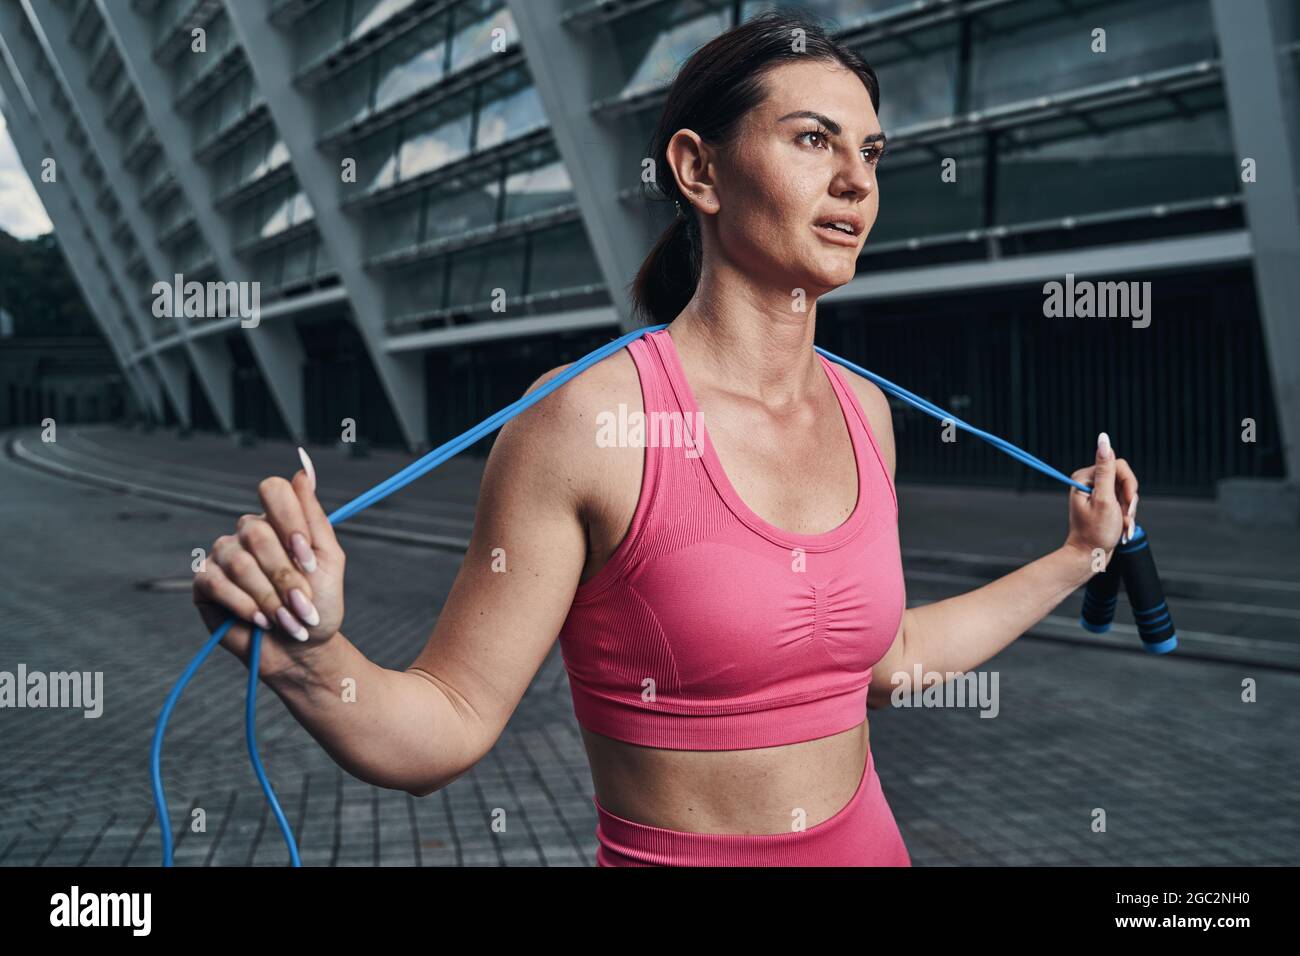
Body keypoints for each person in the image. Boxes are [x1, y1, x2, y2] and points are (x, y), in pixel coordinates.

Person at [192, 10, 1139, 866]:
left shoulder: (866, 414)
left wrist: (1075, 557)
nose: (856, 179)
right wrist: (310, 658)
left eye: (874, 152)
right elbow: (447, 724)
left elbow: (883, 664)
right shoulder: (583, 421)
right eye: (814, 140)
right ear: (699, 170)